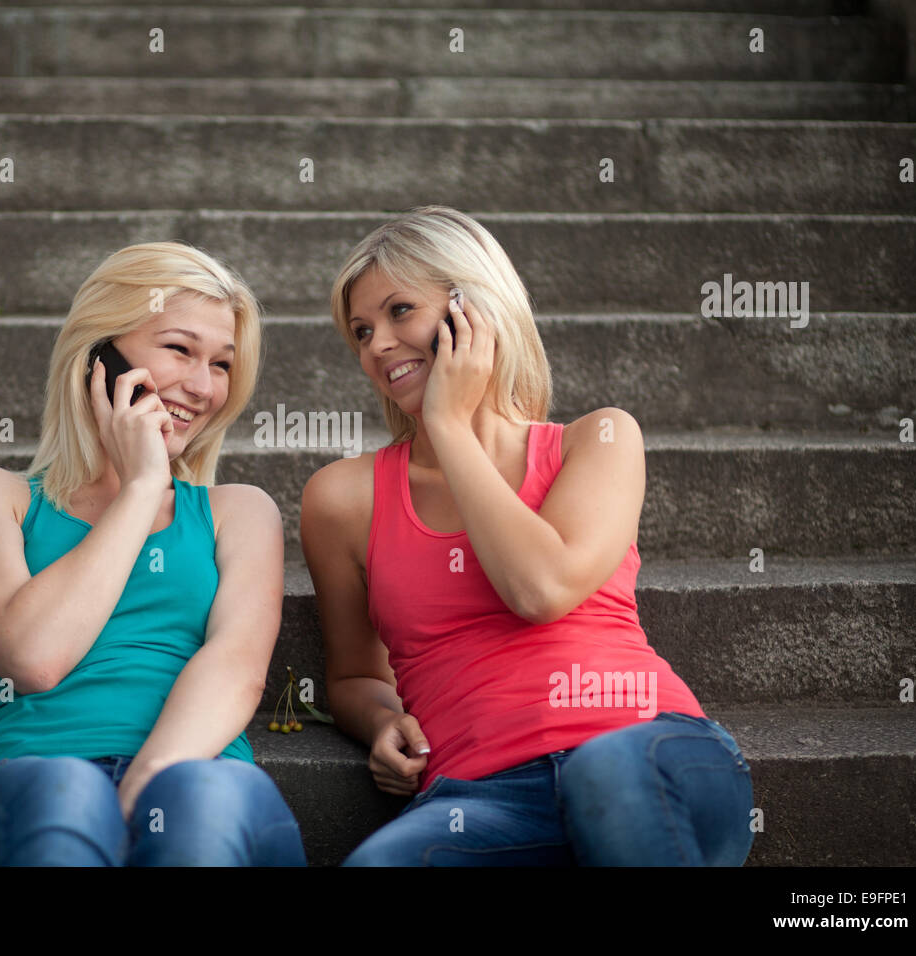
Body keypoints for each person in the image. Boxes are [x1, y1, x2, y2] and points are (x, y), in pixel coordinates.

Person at [300, 205, 754, 866]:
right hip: (482, 796)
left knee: (608, 777)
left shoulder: (597, 440)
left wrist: (450, 427)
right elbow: (352, 675)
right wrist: (380, 722)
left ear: (475, 309)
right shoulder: (342, 497)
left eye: (400, 311)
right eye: (361, 331)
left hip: (644, 747)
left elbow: (539, 590)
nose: (376, 346)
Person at [0, 241, 306, 866]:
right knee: (69, 791)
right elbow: (34, 658)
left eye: (221, 364)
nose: (203, 386)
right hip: (36, 785)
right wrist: (141, 488)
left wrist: (146, 781)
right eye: (179, 349)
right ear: (99, 357)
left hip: (199, 779)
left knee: (197, 797)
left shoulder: (239, 513)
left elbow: (237, 668)